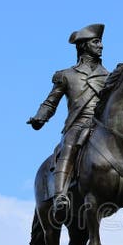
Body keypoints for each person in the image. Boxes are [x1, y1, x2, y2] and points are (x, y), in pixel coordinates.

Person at [27, 23, 109, 210]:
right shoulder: (67, 75)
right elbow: (50, 102)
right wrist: (40, 117)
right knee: (69, 147)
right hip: (78, 125)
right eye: (96, 42)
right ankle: (60, 195)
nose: (101, 46)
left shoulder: (109, 76)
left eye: (101, 42)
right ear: (83, 45)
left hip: (102, 127)